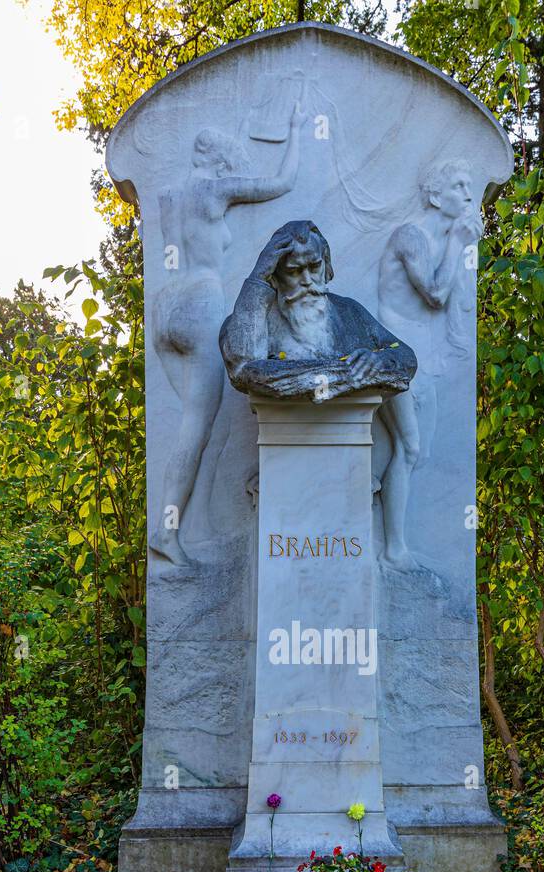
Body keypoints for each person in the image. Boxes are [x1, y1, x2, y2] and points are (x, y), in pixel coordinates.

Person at [151, 106, 305, 566]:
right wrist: (295, 131)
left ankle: (189, 526)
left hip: (166, 308)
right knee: (197, 426)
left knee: (196, 427)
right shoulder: (214, 189)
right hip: (202, 299)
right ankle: (167, 531)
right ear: (218, 161)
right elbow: (283, 182)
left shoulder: (168, 194)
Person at [377, 159, 481, 569]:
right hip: (397, 355)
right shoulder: (411, 236)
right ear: (437, 197)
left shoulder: (443, 240)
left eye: (470, 186)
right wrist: (459, 243)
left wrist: (464, 245)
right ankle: (394, 549)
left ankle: (376, 499)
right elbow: (436, 295)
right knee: (410, 444)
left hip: (422, 354)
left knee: (418, 452)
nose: (470, 196)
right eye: (459, 186)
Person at [219, 219, 417, 401]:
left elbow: (406, 357)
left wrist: (378, 361)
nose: (306, 280)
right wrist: (258, 279)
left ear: (326, 264)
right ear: (275, 275)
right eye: (293, 271)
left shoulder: (349, 312)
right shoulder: (251, 320)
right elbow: (245, 370)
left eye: (314, 267)